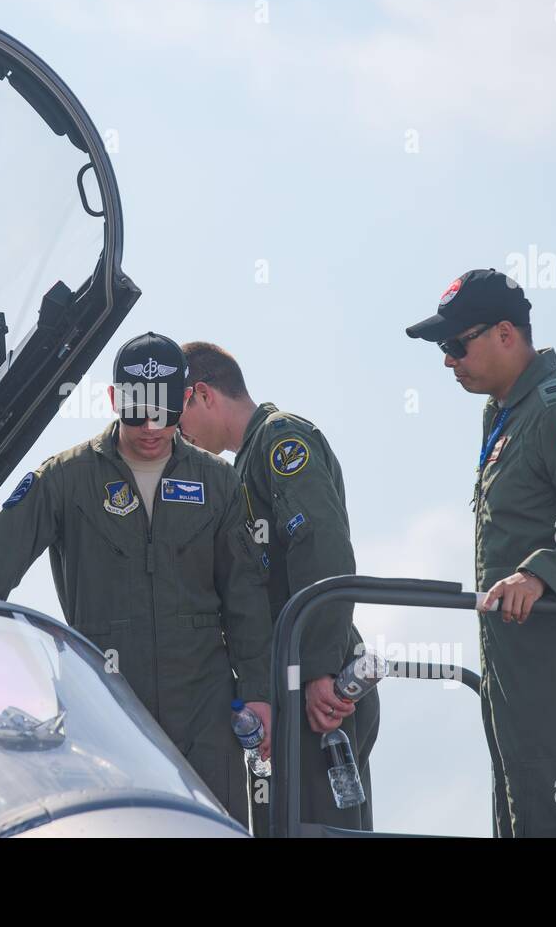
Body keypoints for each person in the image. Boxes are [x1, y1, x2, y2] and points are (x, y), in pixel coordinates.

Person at [0, 332, 273, 821]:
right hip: (106, 711)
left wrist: (260, 693)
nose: (149, 427)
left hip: (203, 713)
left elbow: (245, 596)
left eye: (163, 414)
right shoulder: (64, 479)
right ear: (113, 399)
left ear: (186, 400)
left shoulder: (217, 482)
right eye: (135, 411)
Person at [406, 268, 556, 837]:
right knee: (534, 817)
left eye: (456, 344)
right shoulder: (508, 414)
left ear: (507, 334)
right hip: (523, 662)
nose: (448, 361)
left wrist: (537, 577)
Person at [177, 341, 378, 834]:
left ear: (201, 395)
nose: (176, 438)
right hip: (288, 679)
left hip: (316, 680)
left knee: (320, 827)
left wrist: (316, 672)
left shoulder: (280, 440)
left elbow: (322, 547)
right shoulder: (241, 467)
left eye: (177, 420)